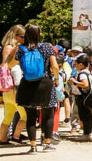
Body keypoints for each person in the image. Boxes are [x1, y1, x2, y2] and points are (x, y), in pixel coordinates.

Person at [13, 24, 58, 152]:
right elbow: (54, 65)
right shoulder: (47, 47)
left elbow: (11, 64)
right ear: (39, 34)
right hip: (45, 82)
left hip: (27, 83)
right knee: (48, 114)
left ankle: (33, 146)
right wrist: (56, 79)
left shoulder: (21, 49)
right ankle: (47, 143)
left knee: (30, 116)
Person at [0, 26, 25, 145]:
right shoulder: (9, 48)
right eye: (20, 36)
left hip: (8, 91)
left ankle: (3, 140)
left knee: (8, 117)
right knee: (25, 116)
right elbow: (6, 66)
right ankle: (16, 137)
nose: (22, 39)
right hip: (13, 89)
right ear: (13, 35)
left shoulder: (12, 47)